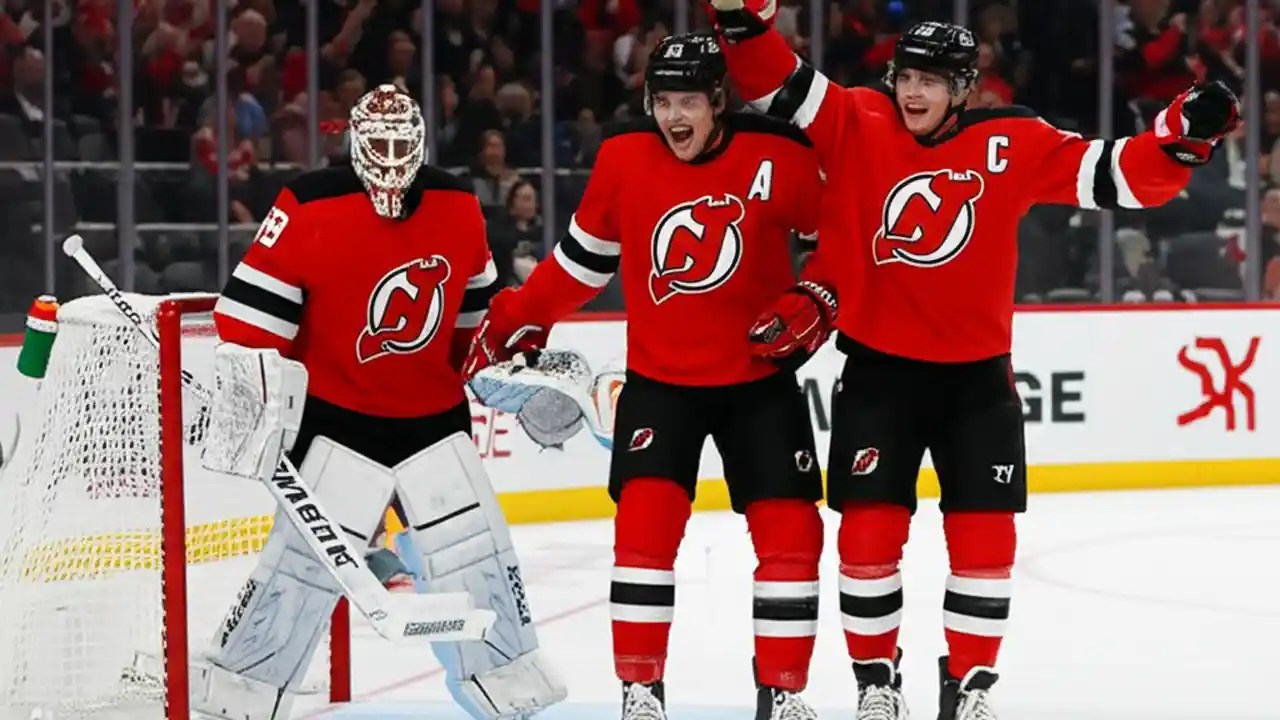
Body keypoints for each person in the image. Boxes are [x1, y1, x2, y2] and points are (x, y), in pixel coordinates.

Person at [704, 6, 1241, 719]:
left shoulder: (1011, 140)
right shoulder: (857, 121)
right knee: (866, 541)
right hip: (879, 374)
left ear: (965, 88)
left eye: (931, 81)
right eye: (906, 78)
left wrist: (1179, 139)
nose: (913, 94)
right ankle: (876, 687)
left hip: (978, 383)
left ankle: (972, 685)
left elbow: (1113, 176)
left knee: (986, 544)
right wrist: (741, 18)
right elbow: (774, 81)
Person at [463, 32, 838, 720]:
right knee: (643, 532)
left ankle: (783, 693)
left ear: (718, 101)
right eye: (663, 101)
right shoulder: (623, 159)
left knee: (791, 537)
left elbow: (837, 240)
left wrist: (817, 295)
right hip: (662, 384)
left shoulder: (779, 155)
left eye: (689, 100)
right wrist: (522, 312)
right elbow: (582, 262)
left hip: (759, 382)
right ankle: (641, 692)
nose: (674, 117)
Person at [201, 84, 566, 720]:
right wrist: (259, 404)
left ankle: (504, 675)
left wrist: (498, 367)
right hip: (336, 419)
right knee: (302, 569)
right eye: (381, 144)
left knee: (474, 548)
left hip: (433, 417)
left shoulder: (457, 202)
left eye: (404, 145)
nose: (393, 158)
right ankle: (245, 685)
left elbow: (472, 320)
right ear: (355, 145)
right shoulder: (310, 202)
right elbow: (247, 322)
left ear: (422, 145)